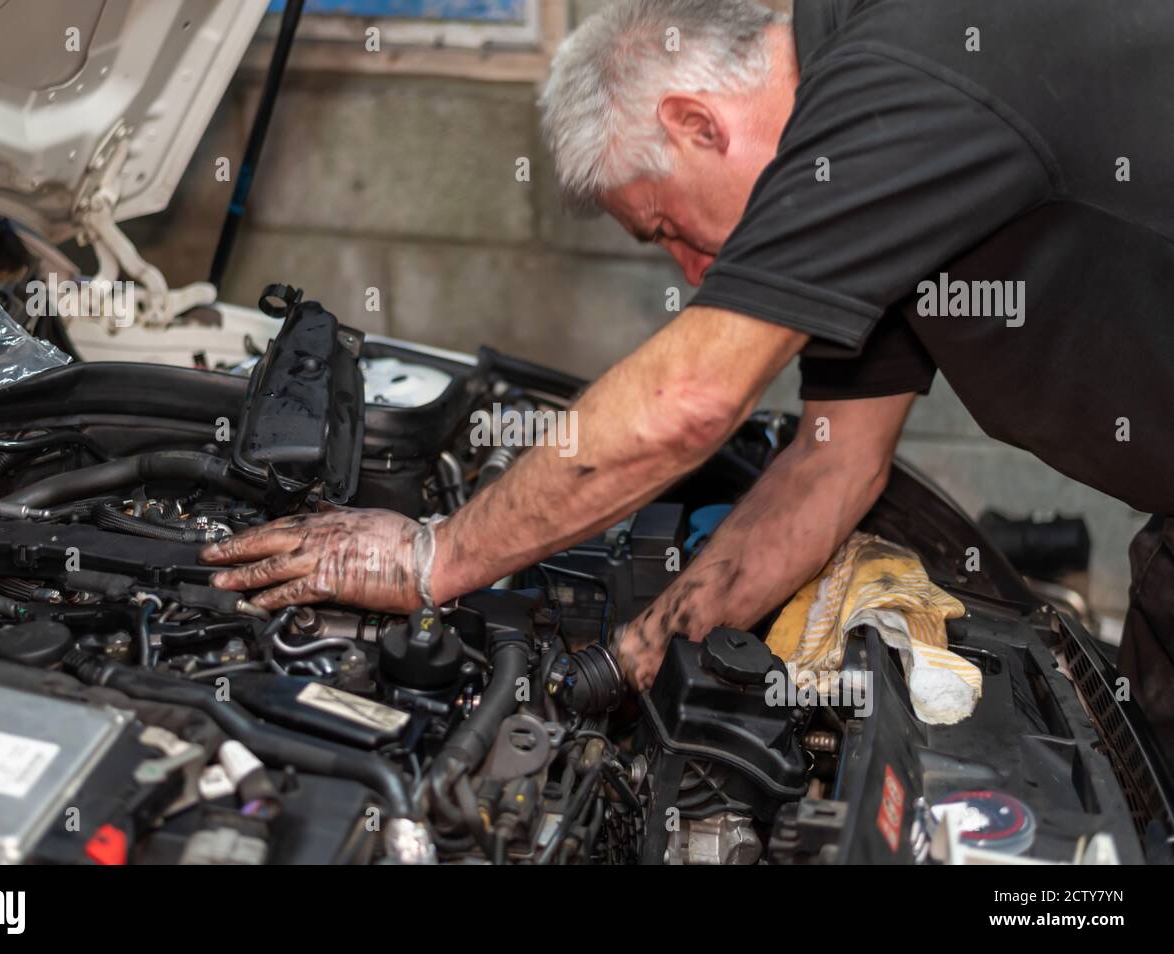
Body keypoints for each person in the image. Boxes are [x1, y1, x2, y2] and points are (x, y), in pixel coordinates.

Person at [202, 0, 1174, 761]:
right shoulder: (867, 176)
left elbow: (691, 398)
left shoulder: (903, 74)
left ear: (697, 123)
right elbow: (829, 470)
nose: (691, 270)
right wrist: (625, 661)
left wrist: (432, 559)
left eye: (664, 225)